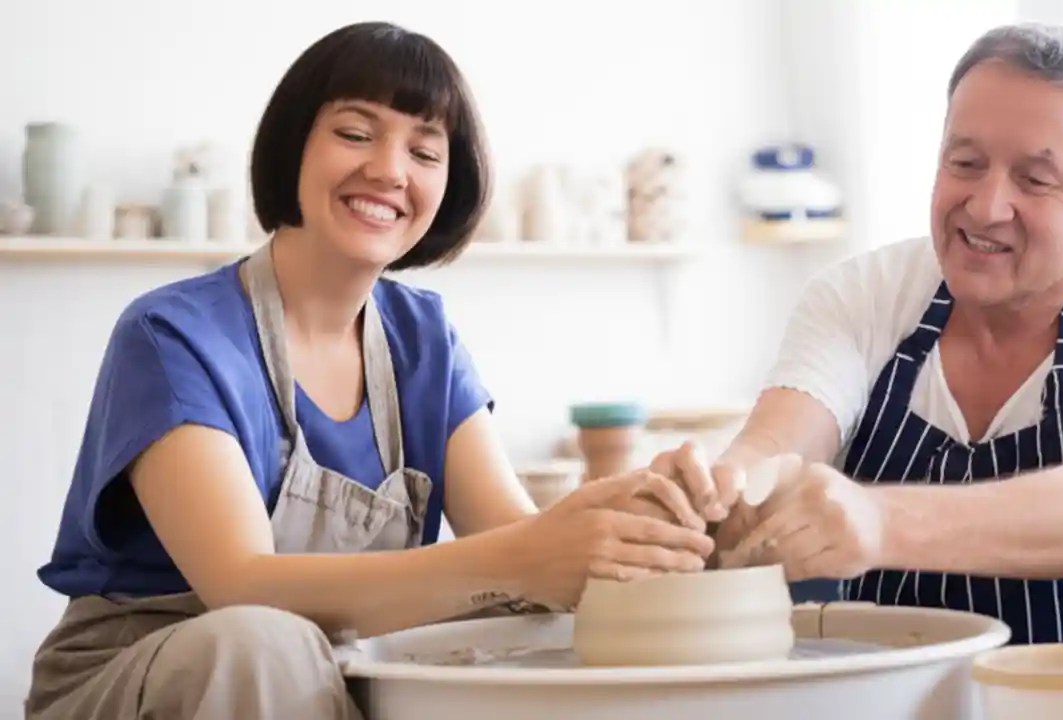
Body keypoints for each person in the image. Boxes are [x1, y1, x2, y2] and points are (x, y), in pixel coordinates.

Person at [25, 22, 713, 720]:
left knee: (540, 633)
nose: (390, 170)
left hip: (338, 666)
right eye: (356, 134)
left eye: (424, 150)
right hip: (155, 674)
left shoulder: (424, 341)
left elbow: (516, 541)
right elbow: (241, 583)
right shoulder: (175, 336)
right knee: (261, 643)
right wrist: (522, 558)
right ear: (294, 145)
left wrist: (638, 532)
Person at [651, 22, 1063, 719]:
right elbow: (778, 443)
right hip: (880, 691)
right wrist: (723, 492)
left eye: (1034, 179)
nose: (986, 206)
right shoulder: (862, 294)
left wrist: (881, 519)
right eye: (966, 163)